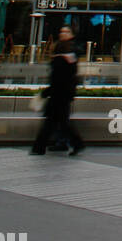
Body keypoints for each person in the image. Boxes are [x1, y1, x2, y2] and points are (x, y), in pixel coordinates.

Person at [31, 26, 83, 156]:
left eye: (66, 31)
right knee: (58, 122)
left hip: (60, 93)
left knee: (52, 122)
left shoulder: (70, 52)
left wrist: (47, 91)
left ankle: (40, 147)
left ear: (71, 35)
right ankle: (75, 143)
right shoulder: (63, 51)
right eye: (61, 31)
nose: (62, 33)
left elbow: (63, 77)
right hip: (60, 93)